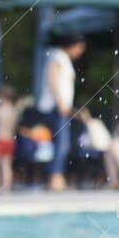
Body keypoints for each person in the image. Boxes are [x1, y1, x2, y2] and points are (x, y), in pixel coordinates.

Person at [36, 33, 85, 191]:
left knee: (61, 143)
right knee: (61, 143)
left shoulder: (62, 58)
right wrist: (60, 103)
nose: (80, 52)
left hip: (60, 107)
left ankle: (56, 177)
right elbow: (52, 79)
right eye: (80, 48)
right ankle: (55, 178)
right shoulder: (57, 56)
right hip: (56, 107)